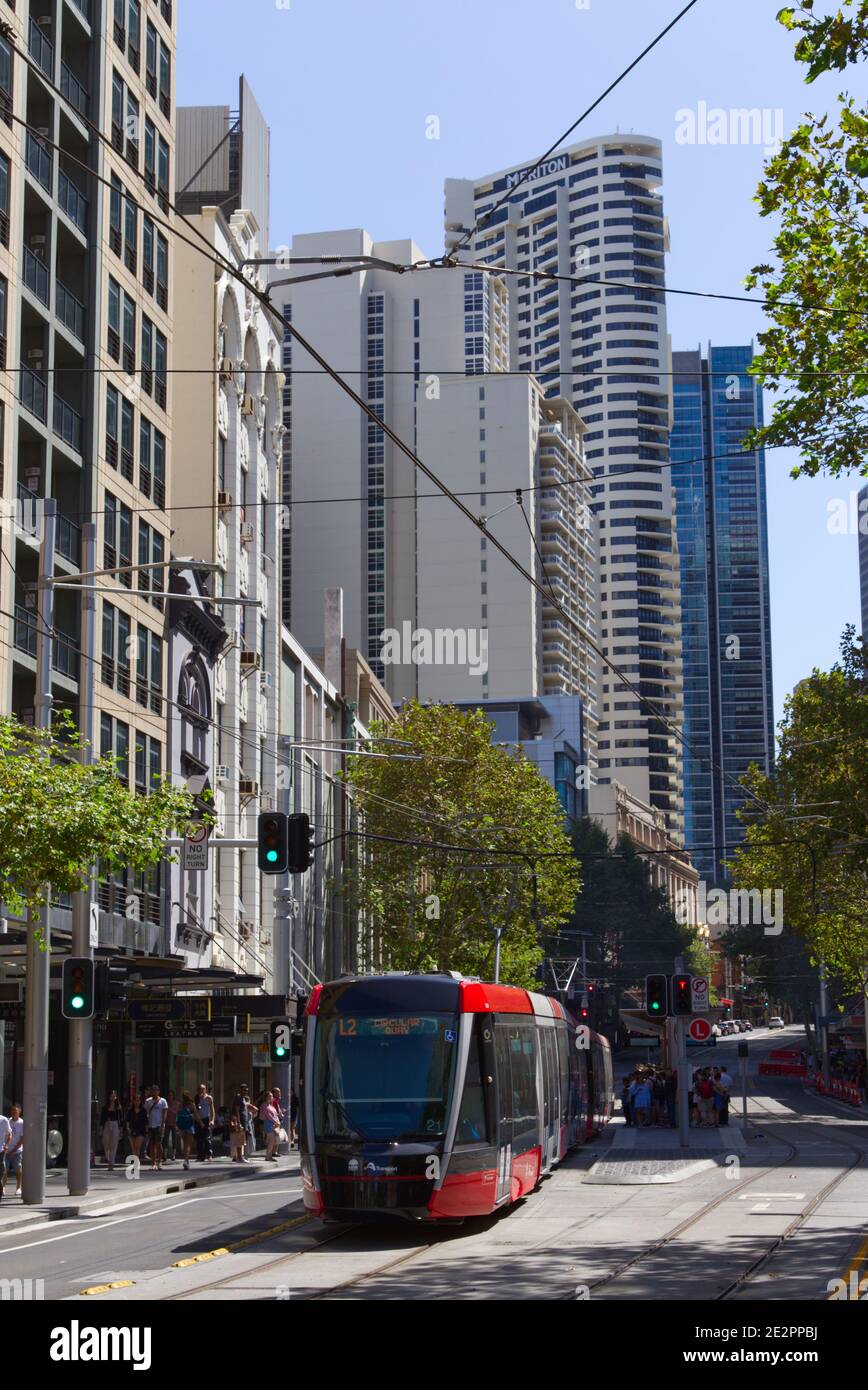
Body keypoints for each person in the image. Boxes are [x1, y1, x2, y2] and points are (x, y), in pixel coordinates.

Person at [145, 1085, 168, 1169]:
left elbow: (165, 1113)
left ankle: (159, 1161)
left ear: (158, 1091)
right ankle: (153, 1163)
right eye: (152, 1090)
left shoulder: (163, 1101)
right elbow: (146, 1113)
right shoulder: (148, 1101)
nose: (154, 1092)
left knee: (159, 1144)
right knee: (151, 1144)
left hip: (159, 1125)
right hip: (151, 1125)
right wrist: (146, 1125)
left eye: (155, 1091)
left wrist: (162, 1124)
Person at [99, 1090, 124, 1170]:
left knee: (113, 1145)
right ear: (109, 1097)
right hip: (107, 1125)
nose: (113, 1098)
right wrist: (101, 1129)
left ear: (116, 1097)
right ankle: (108, 1159)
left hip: (115, 1125)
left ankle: (111, 1164)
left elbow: (121, 1120)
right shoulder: (104, 1108)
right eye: (112, 1096)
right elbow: (102, 1120)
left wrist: (121, 1130)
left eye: (114, 1096)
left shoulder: (118, 1108)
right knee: (106, 1144)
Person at [195, 1082, 215, 1162]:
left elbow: (212, 1109)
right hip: (198, 1119)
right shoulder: (196, 1098)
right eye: (199, 1089)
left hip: (206, 1119)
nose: (201, 1090)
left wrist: (212, 1120)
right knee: (199, 1138)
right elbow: (195, 1110)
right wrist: (199, 1121)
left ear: (205, 1090)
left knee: (207, 1137)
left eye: (203, 1089)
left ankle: (209, 1154)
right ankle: (201, 1155)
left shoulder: (209, 1098)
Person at [5, 1104, 23, 1196]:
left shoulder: (21, 1123)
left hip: (17, 1151)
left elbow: (22, 1138)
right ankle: (3, 1187)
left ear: (19, 1112)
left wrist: (14, 1151)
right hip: (7, 1150)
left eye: (15, 1111)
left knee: (18, 1169)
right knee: (4, 1169)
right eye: (12, 1111)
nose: (13, 1112)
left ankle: (19, 1187)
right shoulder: (7, 1121)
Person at [177, 1092, 197, 1170]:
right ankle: (186, 1160)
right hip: (189, 1127)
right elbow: (196, 1115)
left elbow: (177, 1114)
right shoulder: (192, 1104)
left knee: (185, 1144)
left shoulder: (180, 1105)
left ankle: (186, 1160)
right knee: (188, 1145)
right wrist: (201, 1123)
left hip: (182, 1127)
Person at [259, 1090, 280, 1161]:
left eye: (272, 1096)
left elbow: (275, 1115)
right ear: (266, 1097)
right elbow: (268, 1116)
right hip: (268, 1124)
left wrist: (277, 1122)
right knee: (271, 1141)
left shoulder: (271, 1105)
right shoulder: (264, 1105)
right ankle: (268, 1156)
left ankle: (269, 1155)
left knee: (273, 1141)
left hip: (274, 1124)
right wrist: (276, 1122)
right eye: (270, 1096)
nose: (271, 1097)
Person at [127, 1094, 149, 1161]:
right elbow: (127, 1121)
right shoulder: (130, 1111)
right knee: (133, 1148)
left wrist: (147, 1131)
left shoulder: (143, 1111)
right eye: (135, 1100)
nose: (137, 1102)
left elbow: (146, 1122)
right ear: (133, 1101)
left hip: (141, 1131)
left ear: (140, 1101)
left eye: (138, 1100)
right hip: (132, 1130)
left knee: (137, 1147)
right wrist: (128, 1128)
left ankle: (136, 1162)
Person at [164, 1091, 178, 1162]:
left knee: (174, 1139)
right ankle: (165, 1155)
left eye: (171, 1095)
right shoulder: (165, 1103)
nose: (170, 1097)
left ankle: (173, 1154)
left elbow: (177, 1113)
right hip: (167, 1123)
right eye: (169, 1095)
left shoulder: (176, 1103)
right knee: (166, 1139)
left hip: (174, 1123)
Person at [0, 1107, 10, 1201]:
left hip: (1, 1150)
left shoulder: (3, 1119)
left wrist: (6, 1145)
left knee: (1, 1171)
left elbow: (9, 1134)